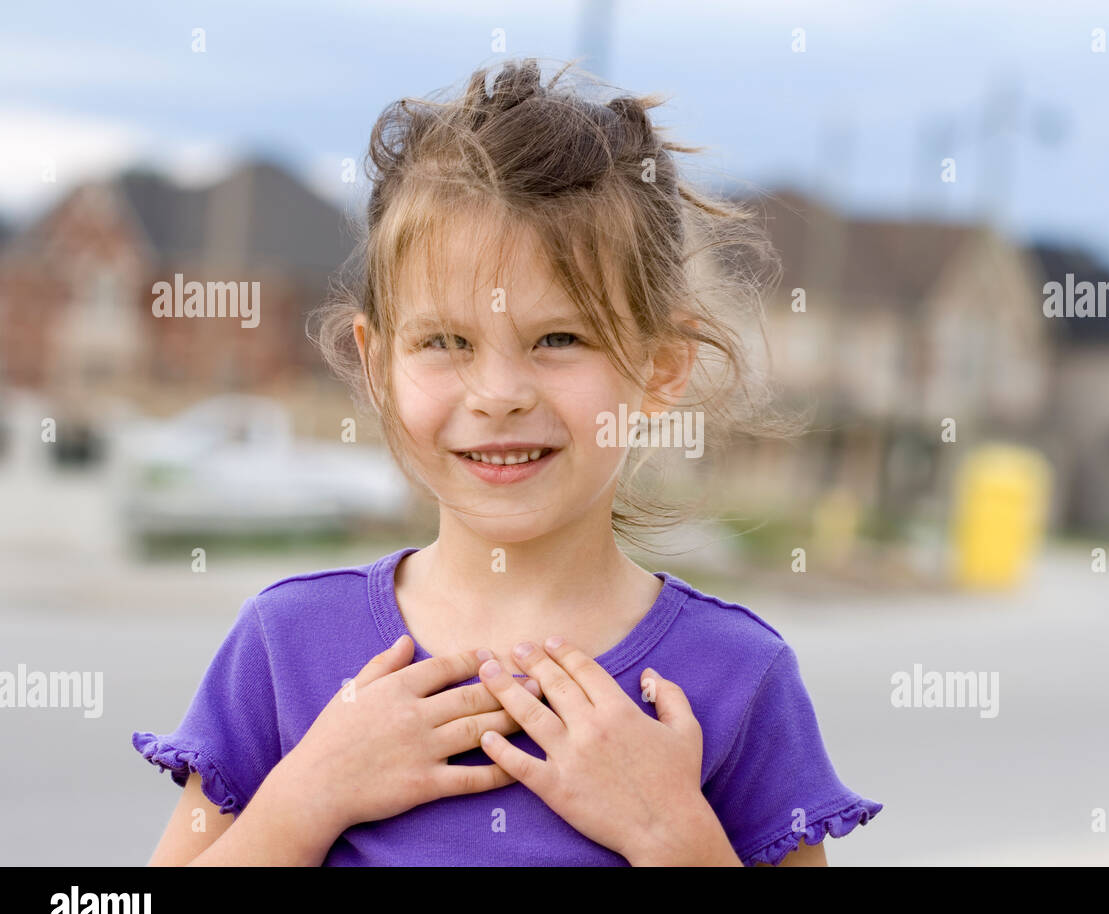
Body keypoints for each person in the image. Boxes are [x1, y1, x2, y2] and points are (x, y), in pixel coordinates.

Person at [131, 57, 883, 866]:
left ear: (661, 366)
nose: (497, 394)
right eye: (445, 343)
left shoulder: (740, 680)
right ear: (378, 364)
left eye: (559, 339)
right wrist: (308, 795)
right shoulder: (285, 647)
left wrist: (675, 838)